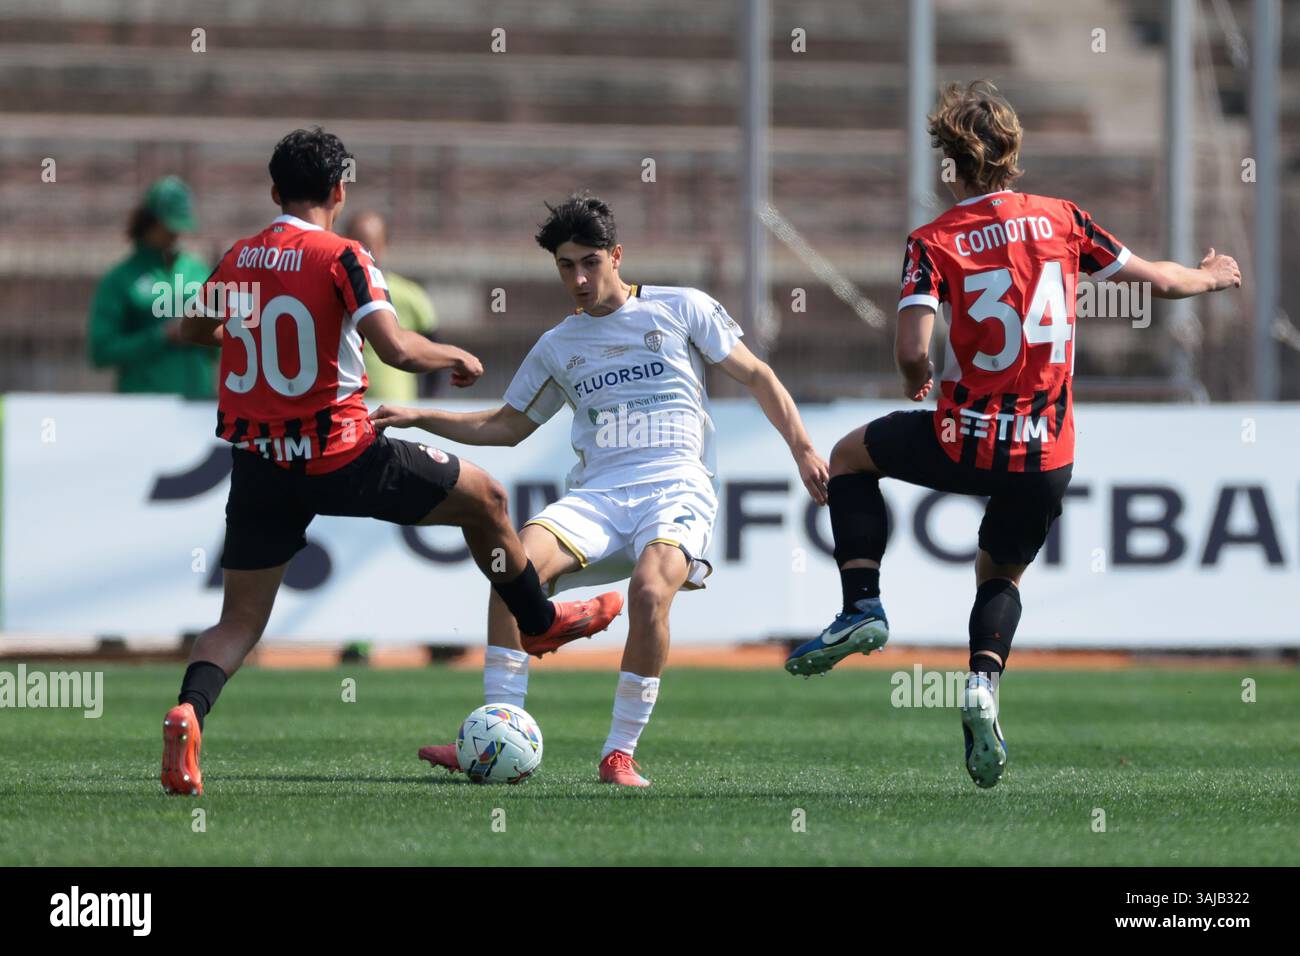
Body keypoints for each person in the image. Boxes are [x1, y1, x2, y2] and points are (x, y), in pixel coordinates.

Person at [784, 81, 1242, 789]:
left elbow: (913, 348)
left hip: (966, 438)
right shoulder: (1063, 219)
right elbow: (1159, 281)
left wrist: (917, 378)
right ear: (1014, 155)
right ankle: (982, 689)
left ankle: (862, 605)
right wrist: (1210, 277)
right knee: (1000, 573)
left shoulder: (934, 241)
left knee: (848, 457)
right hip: (1046, 451)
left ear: (950, 163)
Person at [159, 130, 621, 796]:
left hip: (261, 460)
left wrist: (235, 330)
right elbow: (396, 349)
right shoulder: (344, 255)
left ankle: (188, 711)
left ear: (272, 192)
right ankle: (540, 623)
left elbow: (197, 329)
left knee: (237, 624)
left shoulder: (238, 256)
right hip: (341, 451)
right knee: (485, 499)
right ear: (340, 193)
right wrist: (452, 356)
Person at [372, 193, 828, 787]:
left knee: (648, 590)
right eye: (566, 266)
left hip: (676, 488)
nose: (580, 278)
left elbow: (759, 375)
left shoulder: (680, 307)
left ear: (617, 255)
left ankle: (619, 752)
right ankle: (492, 732)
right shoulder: (559, 344)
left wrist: (803, 448)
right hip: (599, 496)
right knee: (508, 564)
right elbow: (508, 427)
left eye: (590, 262)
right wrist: (418, 418)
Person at [87, 176, 217, 398]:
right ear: (148, 223)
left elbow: (222, 343)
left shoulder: (199, 271)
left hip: (197, 405)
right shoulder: (120, 279)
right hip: (145, 411)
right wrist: (161, 336)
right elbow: (101, 350)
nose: (175, 235)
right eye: (168, 227)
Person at [344, 211, 439, 401]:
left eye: (369, 246)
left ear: (384, 246)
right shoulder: (334, 293)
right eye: (356, 244)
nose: (362, 253)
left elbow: (434, 351)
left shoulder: (411, 297)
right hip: (346, 408)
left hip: (396, 408)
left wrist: (430, 400)